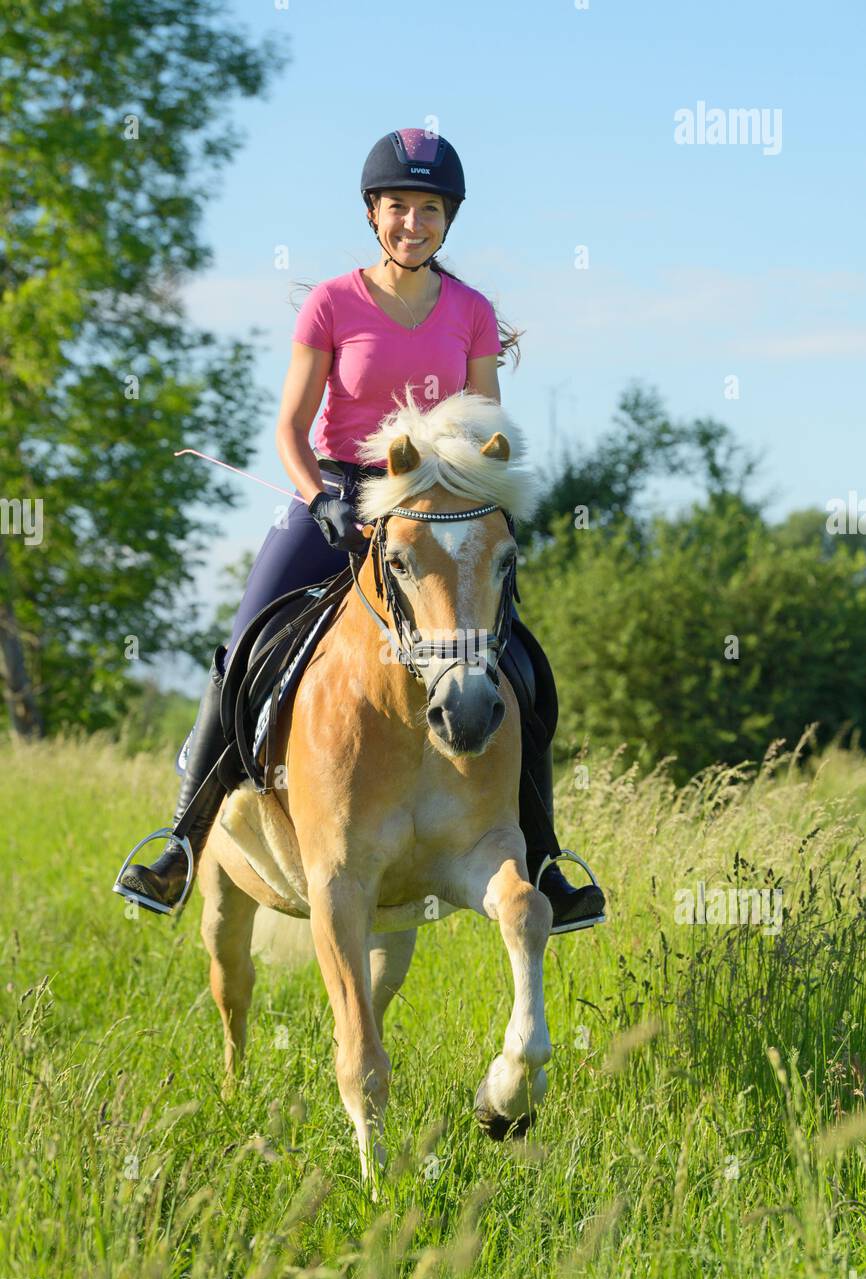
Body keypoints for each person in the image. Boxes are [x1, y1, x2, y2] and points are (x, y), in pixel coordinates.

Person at [114, 127, 605, 932]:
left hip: (434, 509)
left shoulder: (473, 311)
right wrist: (319, 498)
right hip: (339, 495)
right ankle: (181, 840)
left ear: (449, 219)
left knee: (519, 663)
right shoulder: (332, 302)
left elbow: (486, 432)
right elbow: (289, 430)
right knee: (244, 647)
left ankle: (545, 858)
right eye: (399, 207)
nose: (413, 222)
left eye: (429, 210)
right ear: (373, 213)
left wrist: (479, 498)